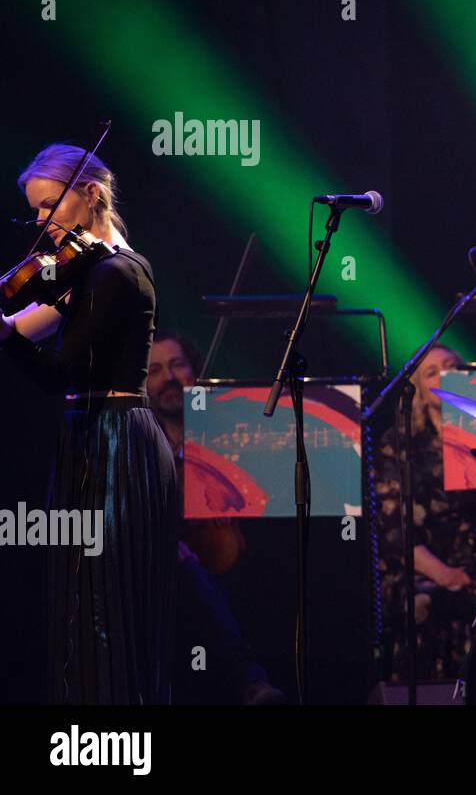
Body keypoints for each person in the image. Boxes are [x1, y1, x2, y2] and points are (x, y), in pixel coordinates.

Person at [0, 143, 179, 704]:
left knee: (108, 606)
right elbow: (25, 321)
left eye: (49, 208)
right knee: (80, 601)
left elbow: (56, 371)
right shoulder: (84, 272)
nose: (40, 224)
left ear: (90, 196)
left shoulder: (118, 274)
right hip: (88, 436)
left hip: (117, 442)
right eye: (34, 212)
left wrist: (7, 336)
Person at [146, 329, 284, 704]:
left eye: (177, 365)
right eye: (155, 370)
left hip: (231, 558)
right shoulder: (139, 440)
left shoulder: (224, 426)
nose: (169, 377)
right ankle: (249, 679)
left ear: (194, 370)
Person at [372, 344, 476, 683]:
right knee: (435, 600)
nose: (445, 375)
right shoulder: (400, 443)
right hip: (424, 566)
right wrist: (446, 574)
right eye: (432, 371)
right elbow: (395, 532)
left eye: (452, 366)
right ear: (419, 389)